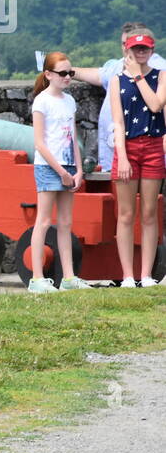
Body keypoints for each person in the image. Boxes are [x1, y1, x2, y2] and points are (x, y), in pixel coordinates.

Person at [28, 53, 91, 293]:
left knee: (65, 222)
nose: (68, 77)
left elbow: (73, 138)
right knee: (44, 221)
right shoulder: (42, 102)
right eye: (63, 73)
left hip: (69, 166)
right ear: (48, 75)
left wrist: (78, 170)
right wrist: (62, 172)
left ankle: (69, 277)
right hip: (48, 166)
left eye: (70, 73)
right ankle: (36, 278)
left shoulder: (69, 101)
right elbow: (39, 143)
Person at [109, 31, 166, 287]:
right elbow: (118, 123)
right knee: (125, 214)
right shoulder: (115, 81)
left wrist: (139, 76)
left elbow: (155, 105)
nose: (140, 53)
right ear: (126, 50)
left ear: (152, 50)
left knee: (150, 212)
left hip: (153, 145)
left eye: (145, 49)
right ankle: (128, 275)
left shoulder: (160, 76)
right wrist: (122, 157)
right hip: (128, 146)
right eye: (136, 49)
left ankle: (146, 274)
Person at [73, 22, 165, 171]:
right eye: (123, 44)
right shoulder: (118, 66)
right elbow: (97, 75)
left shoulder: (160, 69)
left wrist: (137, 75)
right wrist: (65, 70)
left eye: (128, 44)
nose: (124, 48)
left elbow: (158, 105)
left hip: (148, 148)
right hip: (115, 148)